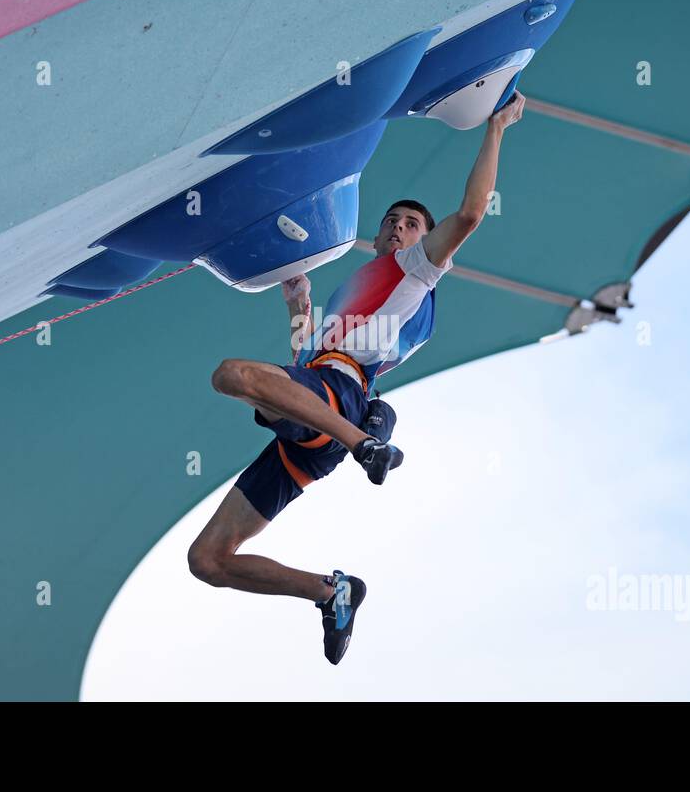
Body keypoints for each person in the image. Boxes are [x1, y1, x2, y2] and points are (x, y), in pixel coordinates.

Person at [188, 92, 527, 664]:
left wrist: (495, 129)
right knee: (209, 560)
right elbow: (308, 359)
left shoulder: (416, 273)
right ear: (377, 235)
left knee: (233, 375)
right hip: (317, 413)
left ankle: (367, 446)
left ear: (428, 241)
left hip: (339, 408)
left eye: (413, 223)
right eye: (391, 221)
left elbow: (469, 214)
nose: (399, 227)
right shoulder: (367, 285)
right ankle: (332, 592)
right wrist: (299, 305)